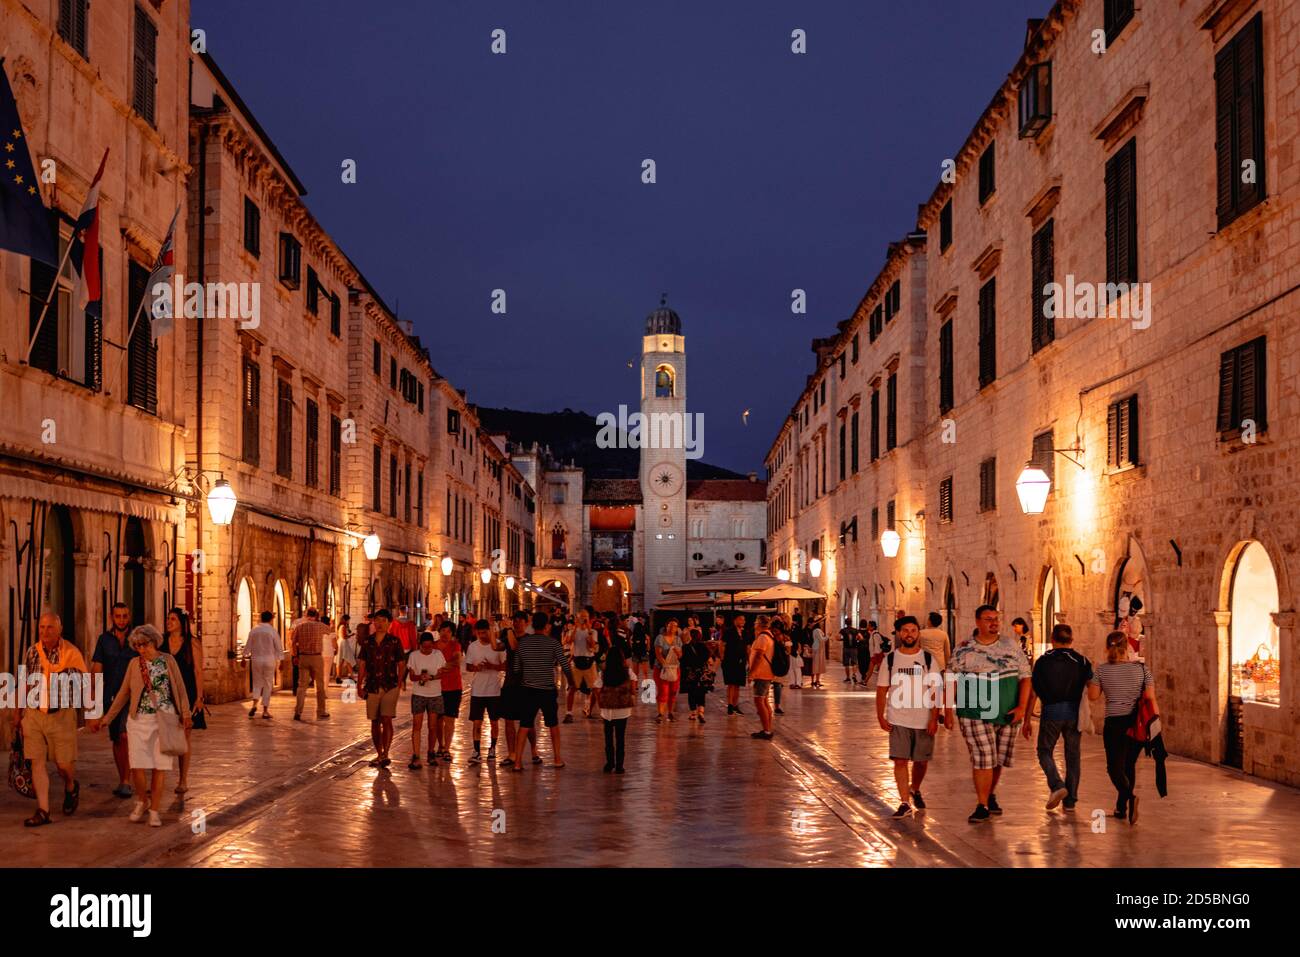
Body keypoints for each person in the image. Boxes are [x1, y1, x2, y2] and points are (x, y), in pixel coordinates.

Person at [89, 624, 191, 827]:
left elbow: (179, 688)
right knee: (137, 765)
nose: (141, 650)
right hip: (138, 721)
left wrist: (186, 714)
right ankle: (142, 801)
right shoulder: (134, 664)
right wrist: (107, 718)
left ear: (153, 641)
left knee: (159, 767)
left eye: (144, 645)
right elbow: (123, 693)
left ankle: (154, 810)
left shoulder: (168, 661)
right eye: (137, 646)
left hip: (164, 720)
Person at [949, 605, 1031, 823]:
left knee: (997, 759)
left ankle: (990, 794)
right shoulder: (963, 649)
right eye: (988, 619)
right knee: (984, 757)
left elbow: (1025, 676)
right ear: (977, 622)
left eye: (996, 619)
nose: (994, 623)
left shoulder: (1011, 646)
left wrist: (1022, 707)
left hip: (1007, 711)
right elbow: (951, 680)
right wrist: (947, 709)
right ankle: (982, 805)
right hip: (974, 711)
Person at [17, 613, 89, 827]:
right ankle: (43, 810)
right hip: (34, 714)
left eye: (49, 628)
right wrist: (18, 713)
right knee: (37, 762)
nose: (44, 632)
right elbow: (25, 682)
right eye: (41, 627)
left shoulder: (71, 653)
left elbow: (84, 683)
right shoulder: (32, 652)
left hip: (62, 715)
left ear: (59, 630)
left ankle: (70, 785)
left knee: (63, 765)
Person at [876, 616, 946, 817]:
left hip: (923, 719)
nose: (909, 634)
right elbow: (882, 690)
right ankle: (905, 802)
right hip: (898, 719)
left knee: (921, 762)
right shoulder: (890, 659)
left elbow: (935, 690)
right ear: (899, 633)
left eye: (913, 630)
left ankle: (915, 788)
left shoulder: (927, 659)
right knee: (900, 760)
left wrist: (934, 717)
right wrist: (881, 716)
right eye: (905, 630)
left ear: (918, 633)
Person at [1089, 631, 1158, 824]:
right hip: (1136, 724)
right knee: (1129, 765)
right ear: (1128, 646)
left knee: (1114, 767)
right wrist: (1156, 725)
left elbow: (1093, 696)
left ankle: (1129, 797)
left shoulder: (1102, 670)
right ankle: (1121, 808)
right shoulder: (1143, 670)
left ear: (1107, 647)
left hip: (1115, 724)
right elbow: (1151, 698)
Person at [1030, 623, 1093, 811]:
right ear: (1071, 640)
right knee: (1073, 756)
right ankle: (1071, 800)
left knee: (1044, 751)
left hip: (1051, 711)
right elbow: (1092, 685)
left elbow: (1033, 691)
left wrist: (1027, 717)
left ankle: (1057, 785)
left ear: (1052, 640)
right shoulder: (1082, 661)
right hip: (1074, 712)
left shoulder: (1042, 661)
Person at [509, 611, 572, 770]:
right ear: (547, 626)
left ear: (532, 624)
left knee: (524, 725)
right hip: (547, 690)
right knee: (553, 725)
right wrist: (572, 682)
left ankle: (517, 762)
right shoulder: (553, 644)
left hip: (528, 689)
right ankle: (557, 758)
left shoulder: (523, 644)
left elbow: (516, 668)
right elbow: (565, 665)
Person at [91, 602, 137, 798]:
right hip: (110, 695)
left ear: (129, 617)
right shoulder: (104, 640)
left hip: (132, 696)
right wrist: (93, 700)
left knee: (126, 735)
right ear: (112, 617)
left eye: (125, 616)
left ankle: (127, 781)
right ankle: (123, 779)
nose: (121, 620)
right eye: (118, 616)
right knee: (117, 739)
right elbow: (97, 669)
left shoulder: (136, 639)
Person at [357, 609, 406, 768]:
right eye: (377, 620)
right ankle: (379, 753)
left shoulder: (395, 641)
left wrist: (399, 683)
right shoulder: (367, 641)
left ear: (389, 623)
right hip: (372, 685)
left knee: (387, 719)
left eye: (383, 620)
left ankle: (386, 753)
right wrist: (358, 684)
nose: (379, 624)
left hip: (390, 684)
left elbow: (401, 663)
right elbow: (363, 663)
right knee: (374, 721)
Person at [163, 607, 205, 794]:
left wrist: (199, 697)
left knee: (184, 737)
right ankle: (159, 779)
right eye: (168, 619)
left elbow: (198, 671)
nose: (169, 622)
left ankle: (183, 780)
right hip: (166, 694)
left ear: (181, 622)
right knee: (162, 736)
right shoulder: (161, 643)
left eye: (173, 619)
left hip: (186, 693)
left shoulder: (192, 644)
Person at [466, 618, 506, 764]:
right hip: (477, 690)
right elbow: (468, 666)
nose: (482, 636)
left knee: (494, 722)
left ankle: (492, 748)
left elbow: (505, 666)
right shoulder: (473, 647)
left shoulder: (499, 645)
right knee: (477, 722)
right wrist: (476, 668)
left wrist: (492, 666)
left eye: (484, 632)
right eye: (480, 633)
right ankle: (476, 750)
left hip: (494, 690)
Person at [406, 631, 447, 770]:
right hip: (419, 694)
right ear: (420, 646)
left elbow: (442, 673)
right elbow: (411, 676)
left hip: (435, 694)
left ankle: (431, 752)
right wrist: (420, 677)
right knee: (417, 725)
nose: (427, 650)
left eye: (430, 647)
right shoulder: (414, 656)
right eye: (425, 648)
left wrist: (432, 677)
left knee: (433, 726)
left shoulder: (438, 655)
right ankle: (416, 755)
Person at [498, 611, 532, 768]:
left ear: (526, 623)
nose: (517, 623)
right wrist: (494, 629)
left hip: (525, 685)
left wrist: (508, 630)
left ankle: (534, 750)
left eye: (520, 621)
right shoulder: (508, 636)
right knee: (509, 721)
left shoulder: (529, 640)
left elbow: (515, 647)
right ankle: (511, 754)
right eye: (515, 620)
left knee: (528, 722)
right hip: (510, 683)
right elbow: (495, 646)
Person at [290, 608, 332, 723]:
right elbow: (330, 631)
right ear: (316, 616)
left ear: (306, 615)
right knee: (319, 685)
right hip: (317, 657)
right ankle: (321, 710)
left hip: (303, 657)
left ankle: (298, 712)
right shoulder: (320, 626)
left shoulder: (299, 626)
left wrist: (295, 656)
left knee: (302, 686)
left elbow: (293, 642)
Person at [600, 646, 636, 773]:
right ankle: (620, 766)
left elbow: (597, 687)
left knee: (608, 738)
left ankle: (609, 764)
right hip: (623, 709)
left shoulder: (603, 672)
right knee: (620, 738)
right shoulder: (628, 672)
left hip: (607, 710)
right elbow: (633, 690)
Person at [243, 610, 285, 719]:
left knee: (257, 682)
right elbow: (278, 647)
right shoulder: (272, 631)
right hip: (269, 660)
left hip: (256, 659)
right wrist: (281, 661)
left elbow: (248, 645)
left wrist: (244, 657)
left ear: (261, 618)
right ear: (271, 619)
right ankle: (265, 710)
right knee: (267, 684)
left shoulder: (254, 630)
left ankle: (254, 704)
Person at [433, 621, 464, 762]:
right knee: (438, 720)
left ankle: (447, 748)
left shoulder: (455, 645)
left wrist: (440, 667)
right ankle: (440, 745)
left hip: (454, 687)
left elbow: (457, 662)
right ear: (439, 631)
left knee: (449, 719)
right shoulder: (433, 647)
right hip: (436, 688)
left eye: (449, 631)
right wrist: (446, 665)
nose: (445, 633)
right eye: (443, 630)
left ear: (452, 633)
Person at [564, 610, 600, 722]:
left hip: (589, 661)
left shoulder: (593, 631)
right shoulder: (573, 631)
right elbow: (569, 642)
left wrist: (588, 629)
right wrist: (575, 627)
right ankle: (569, 713)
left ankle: (603, 712)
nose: (584, 619)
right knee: (573, 688)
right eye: (581, 617)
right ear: (577, 618)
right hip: (577, 661)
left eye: (586, 617)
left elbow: (592, 645)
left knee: (595, 688)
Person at [747, 615, 776, 740]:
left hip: (761, 673)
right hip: (766, 673)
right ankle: (768, 728)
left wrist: (752, 673)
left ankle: (767, 731)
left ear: (759, 623)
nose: (754, 624)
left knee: (759, 701)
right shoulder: (768, 636)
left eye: (755, 622)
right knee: (764, 701)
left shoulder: (763, 637)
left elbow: (759, 656)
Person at [680, 624, 713, 722]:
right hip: (702, 673)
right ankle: (701, 713)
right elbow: (708, 658)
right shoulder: (703, 646)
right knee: (701, 693)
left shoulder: (685, 647)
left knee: (691, 693)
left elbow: (683, 661)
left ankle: (693, 713)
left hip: (690, 673)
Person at [653, 619, 683, 723]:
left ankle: (670, 713)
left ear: (677, 628)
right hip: (661, 669)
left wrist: (678, 652)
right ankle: (660, 713)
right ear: (666, 626)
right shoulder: (660, 638)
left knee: (673, 691)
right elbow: (658, 654)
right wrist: (664, 664)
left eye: (674, 626)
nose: (672, 628)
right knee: (663, 691)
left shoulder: (678, 640)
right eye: (670, 625)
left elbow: (680, 655)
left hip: (674, 669)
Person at [721, 613, 748, 714]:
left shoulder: (745, 633)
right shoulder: (729, 631)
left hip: (741, 661)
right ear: (735, 620)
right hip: (730, 660)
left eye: (744, 620)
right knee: (731, 683)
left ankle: (736, 704)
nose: (743, 621)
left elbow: (747, 647)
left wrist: (748, 659)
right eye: (741, 619)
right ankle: (730, 705)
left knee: (738, 684)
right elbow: (722, 644)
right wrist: (723, 657)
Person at [337, 618, 359, 683]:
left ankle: (344, 676)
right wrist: (351, 635)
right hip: (343, 643)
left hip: (342, 643)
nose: (349, 621)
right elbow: (344, 636)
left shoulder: (341, 626)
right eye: (348, 620)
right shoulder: (343, 626)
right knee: (345, 660)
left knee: (346, 660)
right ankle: (339, 676)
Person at [808, 617, 827, 689]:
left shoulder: (815, 630)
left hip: (818, 648)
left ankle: (817, 681)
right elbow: (822, 640)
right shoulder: (817, 630)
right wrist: (828, 636)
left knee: (817, 665)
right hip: (818, 649)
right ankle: (816, 681)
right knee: (817, 665)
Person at [854, 623, 873, 688]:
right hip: (867, 650)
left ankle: (863, 676)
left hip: (860, 650)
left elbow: (856, 639)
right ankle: (864, 676)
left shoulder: (858, 632)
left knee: (861, 662)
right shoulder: (869, 632)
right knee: (866, 662)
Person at [840, 618, 858, 684]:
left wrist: (843, 639)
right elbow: (860, 637)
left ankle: (848, 678)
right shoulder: (855, 630)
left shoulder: (843, 630)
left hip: (846, 648)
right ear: (851, 622)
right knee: (854, 663)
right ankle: (854, 675)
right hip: (854, 648)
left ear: (845, 623)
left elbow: (837, 637)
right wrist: (856, 639)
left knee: (846, 664)